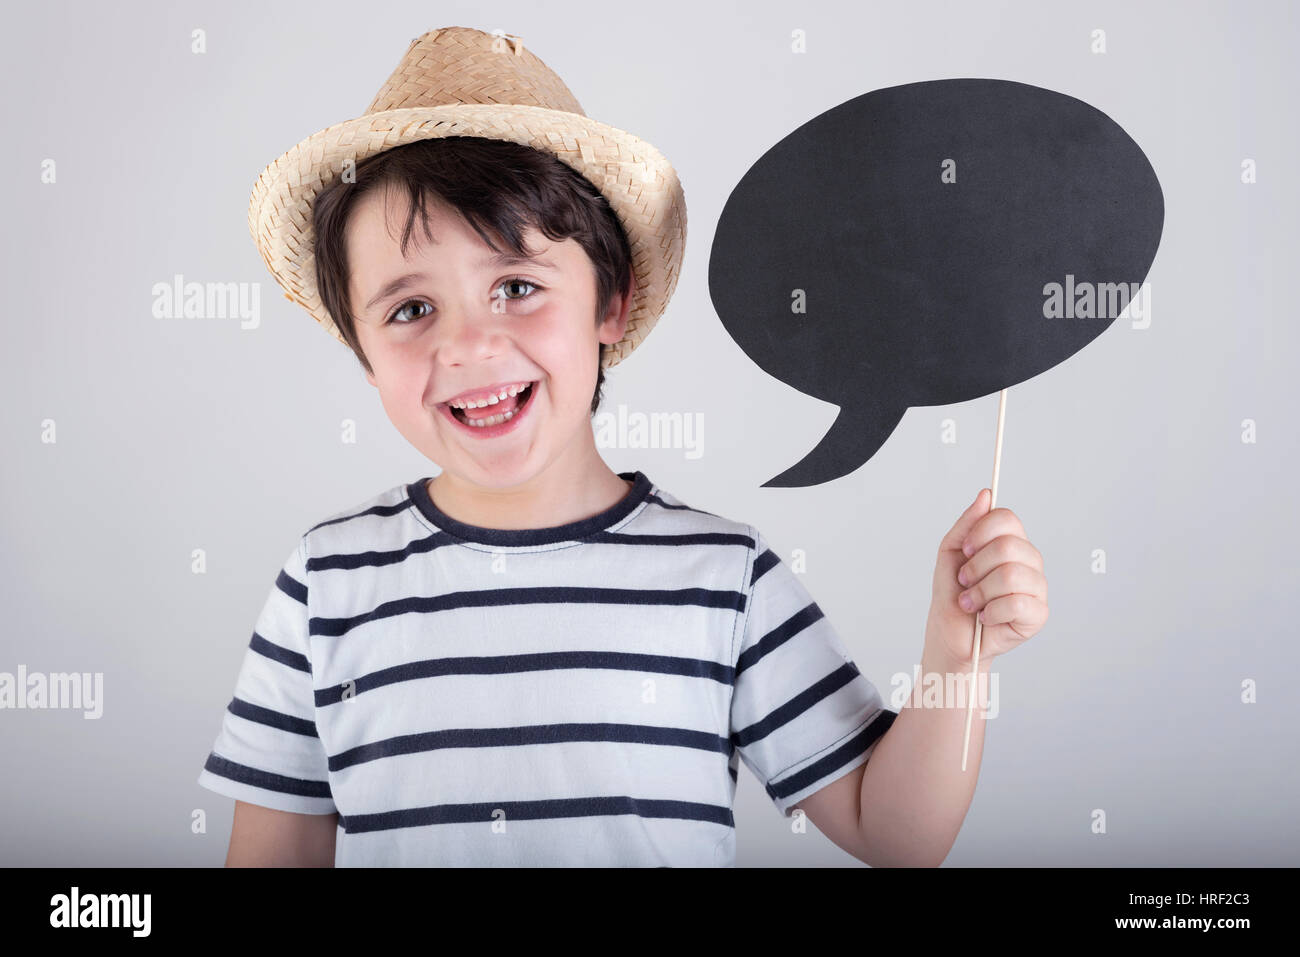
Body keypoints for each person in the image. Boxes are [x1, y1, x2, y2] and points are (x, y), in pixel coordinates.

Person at [197, 26, 1049, 867]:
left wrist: (953, 649)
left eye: (518, 286)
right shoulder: (325, 583)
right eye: (410, 309)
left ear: (612, 302)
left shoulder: (724, 579)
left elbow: (897, 832)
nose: (467, 348)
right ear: (362, 350)